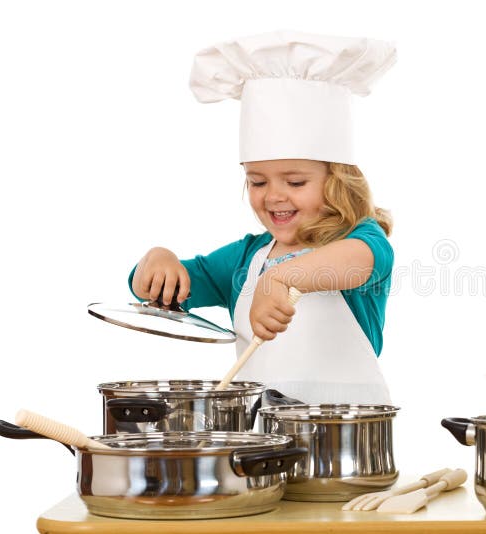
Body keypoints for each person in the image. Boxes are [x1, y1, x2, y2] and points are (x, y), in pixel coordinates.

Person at [129, 31, 397, 404]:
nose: (273, 195)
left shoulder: (363, 243)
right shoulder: (244, 260)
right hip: (260, 447)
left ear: (338, 181)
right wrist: (157, 260)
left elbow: (357, 261)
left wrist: (280, 278)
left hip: (347, 448)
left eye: (296, 180)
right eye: (257, 180)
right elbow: (157, 290)